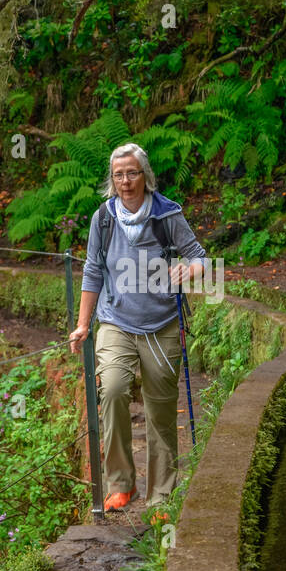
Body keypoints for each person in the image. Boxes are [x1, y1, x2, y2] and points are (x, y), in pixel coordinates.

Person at [68, 143, 209, 511]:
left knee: (160, 410)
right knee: (112, 389)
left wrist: (188, 270)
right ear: (111, 180)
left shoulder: (167, 214)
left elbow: (200, 259)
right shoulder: (103, 218)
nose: (125, 181)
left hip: (162, 324)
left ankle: (162, 495)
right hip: (115, 320)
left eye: (132, 173)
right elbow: (93, 270)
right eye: (118, 175)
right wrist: (83, 325)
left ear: (145, 176)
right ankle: (120, 484)